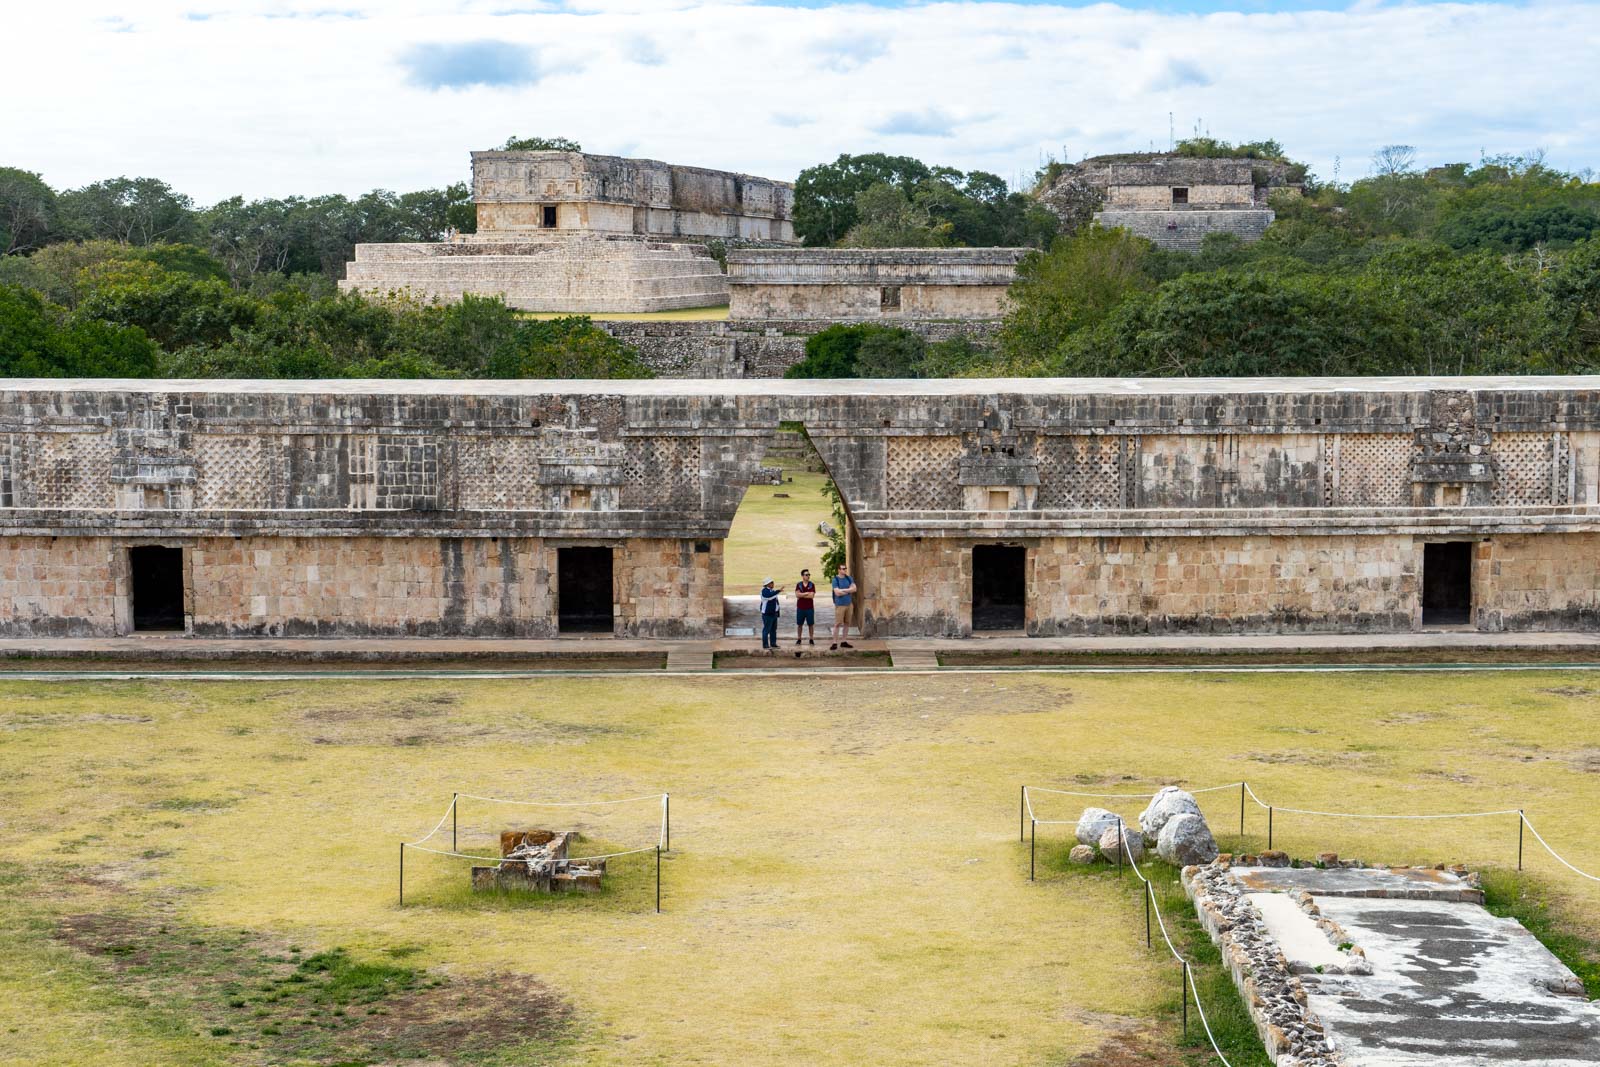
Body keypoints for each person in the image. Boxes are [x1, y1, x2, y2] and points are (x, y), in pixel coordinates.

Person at [829, 564, 857, 651]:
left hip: (849, 604)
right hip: (840, 605)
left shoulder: (849, 578)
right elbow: (837, 593)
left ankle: (844, 641)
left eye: (845, 568)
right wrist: (849, 590)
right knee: (837, 624)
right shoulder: (835, 580)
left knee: (847, 623)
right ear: (839, 570)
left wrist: (843, 590)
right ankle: (834, 642)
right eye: (843, 568)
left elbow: (855, 589)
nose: (845, 570)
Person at [794, 569, 817, 646]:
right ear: (802, 576)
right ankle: (799, 639)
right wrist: (806, 593)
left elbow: (811, 596)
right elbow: (797, 595)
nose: (808, 576)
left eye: (809, 575)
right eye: (806, 575)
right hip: (800, 608)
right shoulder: (799, 585)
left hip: (809, 608)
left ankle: (811, 639)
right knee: (799, 624)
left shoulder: (811, 585)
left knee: (810, 624)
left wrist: (802, 594)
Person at [759, 577, 781, 653]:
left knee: (773, 630)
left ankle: (773, 643)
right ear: (767, 584)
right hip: (767, 614)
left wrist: (777, 611)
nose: (773, 584)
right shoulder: (764, 591)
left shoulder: (772, 591)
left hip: (774, 613)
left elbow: (776, 601)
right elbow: (769, 596)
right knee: (766, 629)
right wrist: (778, 591)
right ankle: (765, 645)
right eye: (771, 583)